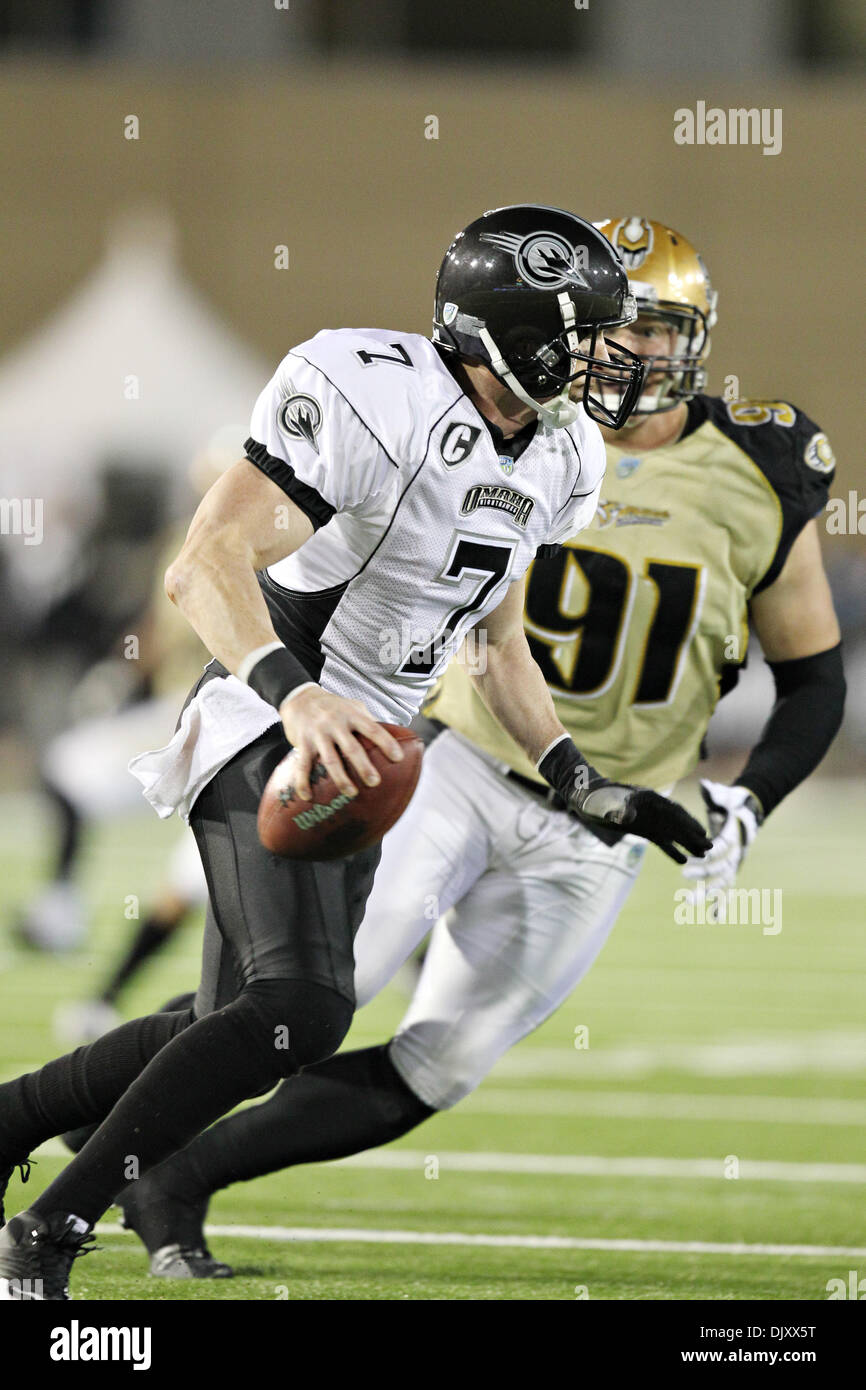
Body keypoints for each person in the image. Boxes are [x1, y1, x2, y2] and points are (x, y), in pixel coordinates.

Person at [109, 217, 845, 1280]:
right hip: (450, 756)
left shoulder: (756, 469)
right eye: (612, 326)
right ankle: (99, 1131)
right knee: (305, 993)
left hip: (599, 812)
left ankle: (172, 1174)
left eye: (656, 330)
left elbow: (811, 674)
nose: (627, 351)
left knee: (441, 1061)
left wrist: (750, 798)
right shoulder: (521, 432)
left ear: (694, 338)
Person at [0, 204, 711, 1300]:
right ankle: (46, 1230)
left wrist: (579, 779)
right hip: (266, 706)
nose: (598, 362)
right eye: (576, 336)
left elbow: (496, 641)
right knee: (303, 1010)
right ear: (499, 332)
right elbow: (205, 564)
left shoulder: (563, 451)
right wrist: (296, 703)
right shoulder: (368, 388)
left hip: (372, 746)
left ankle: (11, 1120)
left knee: (225, 1021)